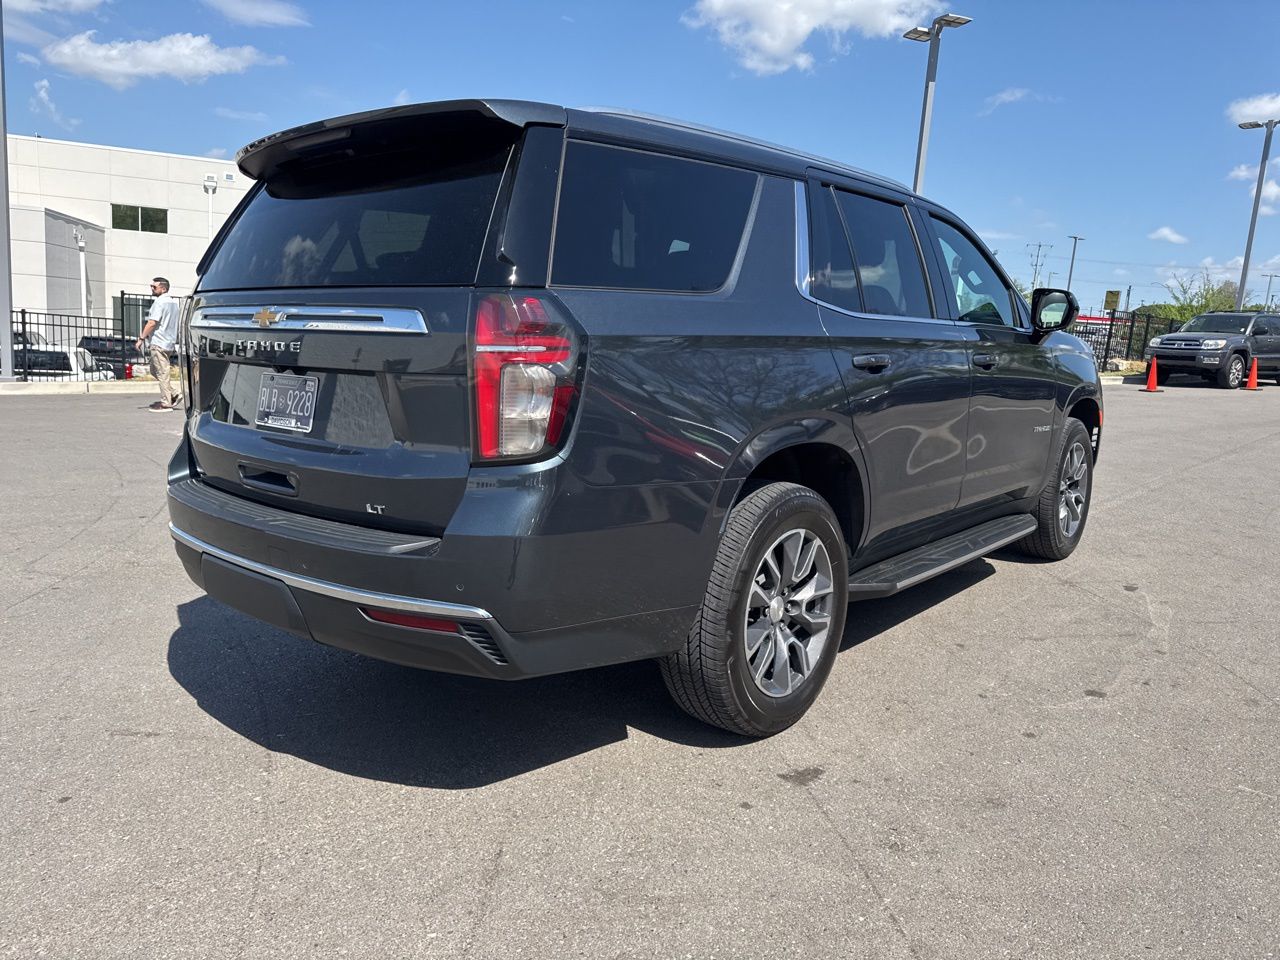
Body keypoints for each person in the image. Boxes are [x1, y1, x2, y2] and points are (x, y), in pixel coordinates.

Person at [134, 277, 182, 411]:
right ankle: (174, 393)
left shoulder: (160, 303)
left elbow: (152, 322)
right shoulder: (173, 303)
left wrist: (141, 338)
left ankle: (166, 402)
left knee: (161, 372)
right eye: (151, 286)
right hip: (169, 341)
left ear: (163, 288)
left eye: (154, 287)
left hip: (159, 342)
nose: (152, 289)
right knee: (154, 370)